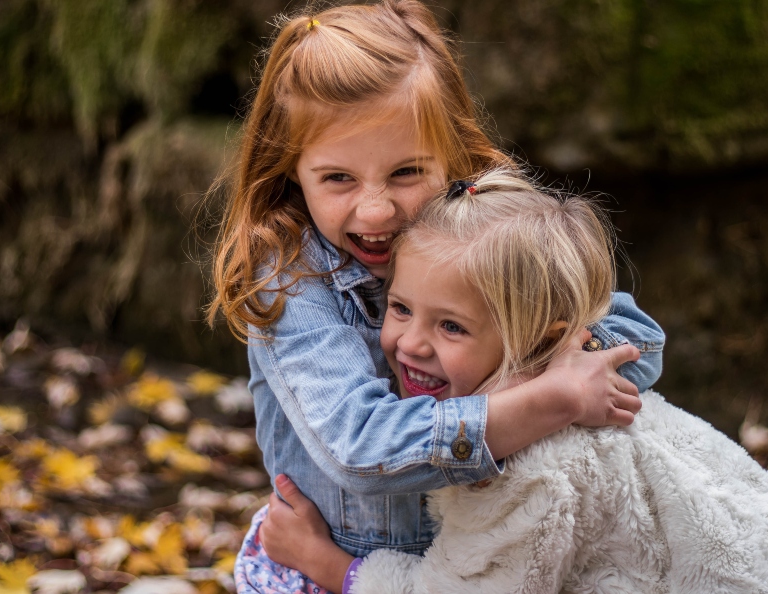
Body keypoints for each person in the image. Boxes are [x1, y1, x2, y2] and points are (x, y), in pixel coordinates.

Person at [207, 2, 666, 593]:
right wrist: (546, 400)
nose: (376, 211)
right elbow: (360, 447)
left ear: (452, 154)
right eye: (338, 178)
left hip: (479, 563)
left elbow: (638, 343)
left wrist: (535, 368)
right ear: (292, 170)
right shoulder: (293, 280)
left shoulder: (484, 235)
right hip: (341, 567)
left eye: (405, 173)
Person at [259, 170, 768, 594]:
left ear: (541, 337)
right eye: (401, 308)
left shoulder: (524, 464)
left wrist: (328, 565)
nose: (411, 343)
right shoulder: (587, 375)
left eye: (452, 327)